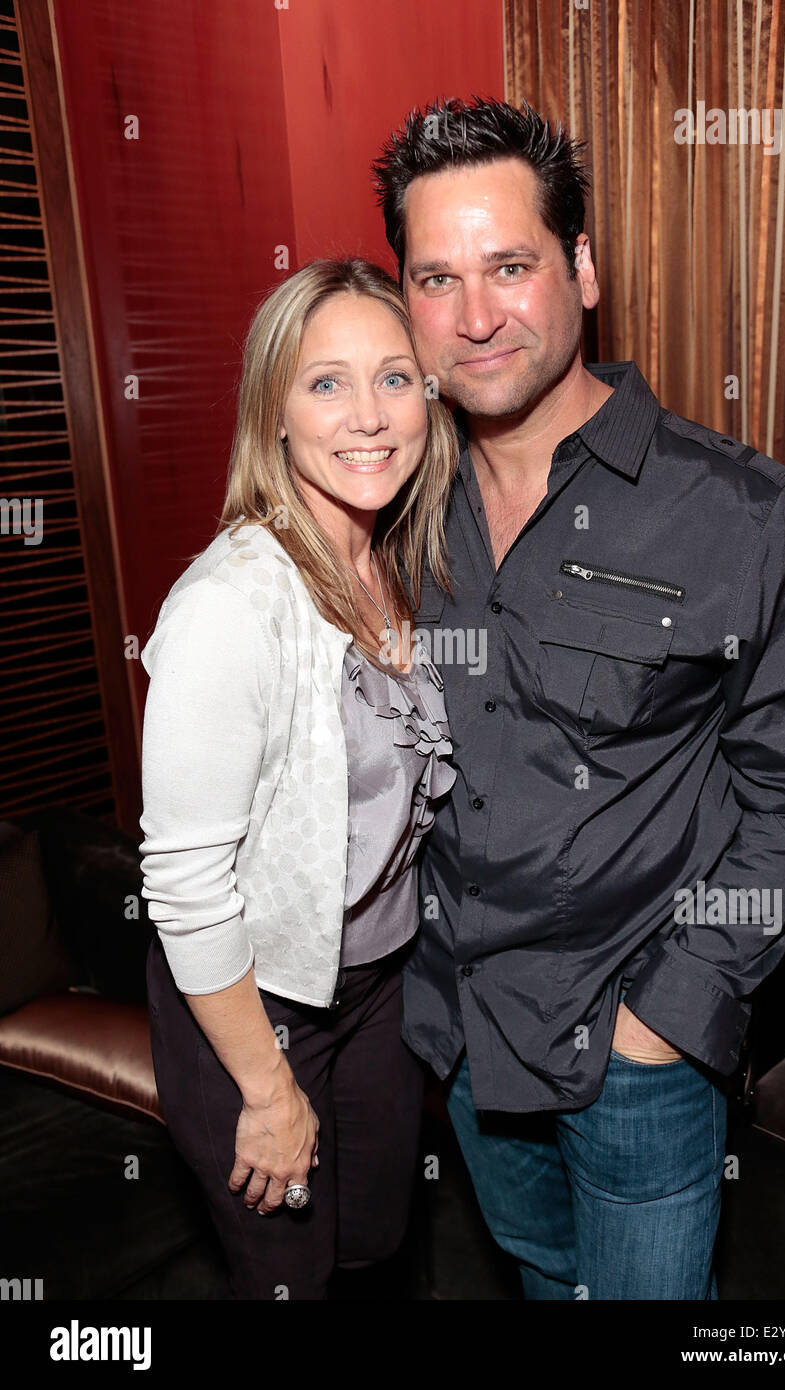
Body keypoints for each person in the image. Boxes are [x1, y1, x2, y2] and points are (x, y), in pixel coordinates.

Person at [371, 96, 785, 1300]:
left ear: (580, 270)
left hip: (635, 1053)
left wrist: (671, 1011)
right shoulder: (385, 507)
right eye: (436, 277)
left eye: (508, 266)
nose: (475, 315)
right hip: (460, 1032)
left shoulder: (742, 513)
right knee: (539, 1281)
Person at [138, 258, 458, 1300]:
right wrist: (267, 1088)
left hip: (372, 989)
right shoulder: (232, 605)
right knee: (288, 1277)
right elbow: (185, 886)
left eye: (394, 378)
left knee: (371, 1250)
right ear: (273, 411)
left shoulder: (398, 556)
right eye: (325, 382)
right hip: (250, 1007)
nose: (367, 416)